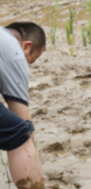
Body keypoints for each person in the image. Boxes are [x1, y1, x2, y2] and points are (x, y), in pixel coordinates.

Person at [0, 22, 46, 189]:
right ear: (26, 46)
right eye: (31, 61)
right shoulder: (15, 52)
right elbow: (22, 117)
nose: (27, 66)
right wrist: (30, 155)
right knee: (19, 134)